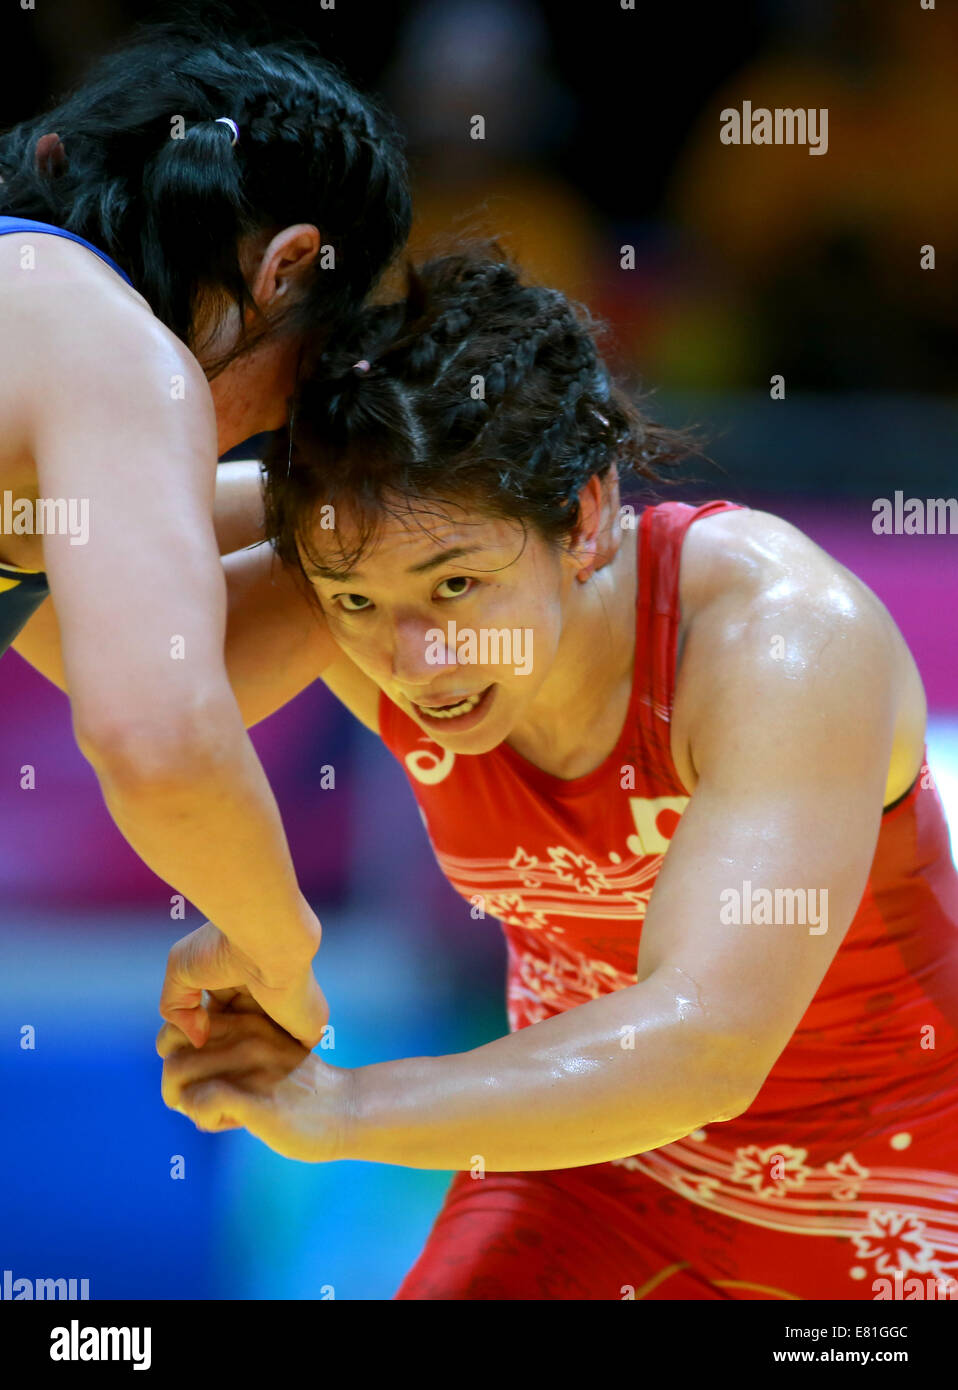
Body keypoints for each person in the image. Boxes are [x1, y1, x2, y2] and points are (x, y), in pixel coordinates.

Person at [33, 247, 958, 1299]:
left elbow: (704, 1048)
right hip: (591, 1171)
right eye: (355, 605)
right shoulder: (360, 571)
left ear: (584, 516)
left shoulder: (780, 640)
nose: (415, 660)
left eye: (459, 585)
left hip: (898, 1201)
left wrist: (340, 1107)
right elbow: (90, 613)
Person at [0, 20, 411, 1049]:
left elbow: (173, 658)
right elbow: (161, 739)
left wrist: (383, 534)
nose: (277, 417)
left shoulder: (39, 310)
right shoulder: (112, 349)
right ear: (287, 268)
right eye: (301, 379)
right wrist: (280, 950)